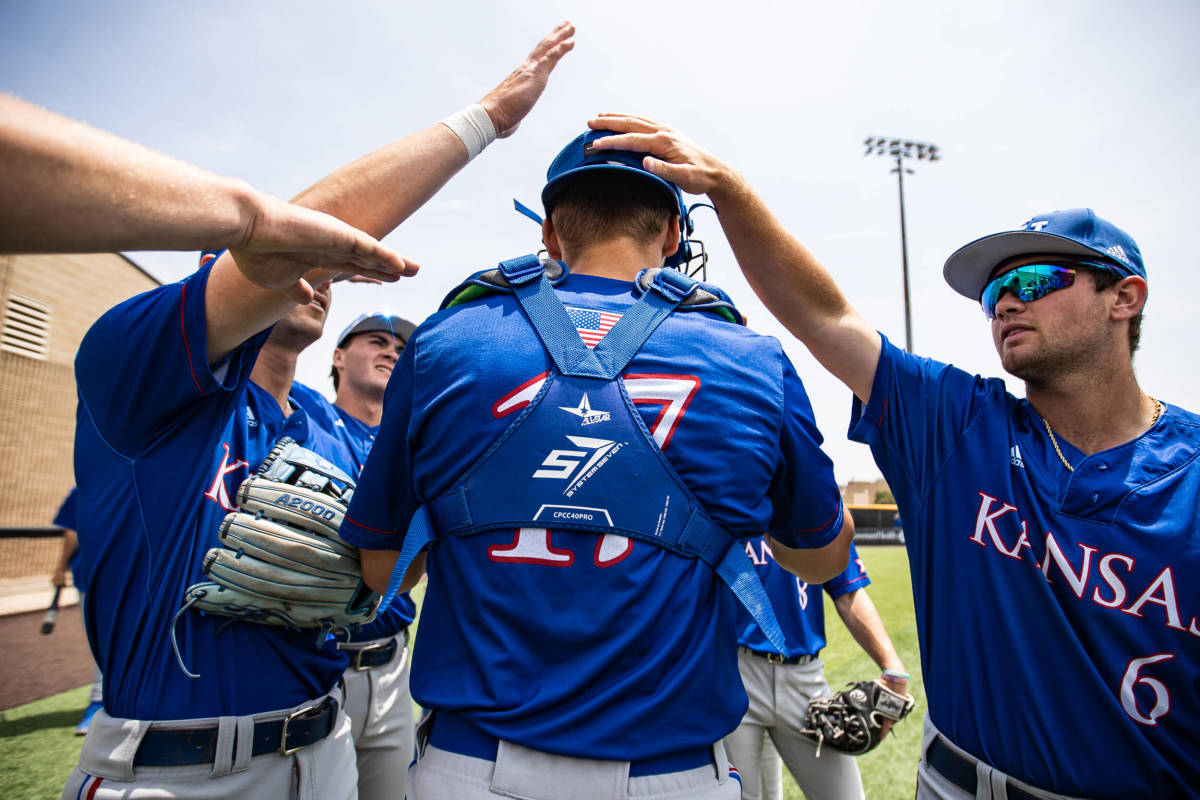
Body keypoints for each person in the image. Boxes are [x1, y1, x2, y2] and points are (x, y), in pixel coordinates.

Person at [588, 115, 1199, 799]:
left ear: (1125, 297)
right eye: (996, 293)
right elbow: (826, 318)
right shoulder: (957, 425)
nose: (1005, 305)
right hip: (953, 783)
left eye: (1036, 282)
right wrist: (729, 192)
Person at [61, 23, 574, 800]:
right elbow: (272, 243)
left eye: (324, 279)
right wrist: (490, 119)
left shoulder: (326, 427)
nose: (310, 279)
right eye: (277, 268)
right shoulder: (134, 374)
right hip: (173, 768)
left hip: (325, 736)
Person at [338, 126, 854, 800]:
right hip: (672, 775)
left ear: (550, 233)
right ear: (674, 234)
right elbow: (819, 561)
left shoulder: (446, 341)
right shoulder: (752, 359)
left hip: (469, 766)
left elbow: (384, 572)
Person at [0, 92, 408, 298]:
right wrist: (252, 226)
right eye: (309, 265)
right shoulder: (150, 344)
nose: (319, 281)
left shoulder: (318, 419)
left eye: (327, 277)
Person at [293, 311, 420, 800]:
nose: (391, 351)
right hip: (317, 661)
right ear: (338, 357)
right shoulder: (304, 416)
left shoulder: (418, 444)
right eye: (375, 341)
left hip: (394, 667)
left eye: (402, 348)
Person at [724, 537, 908, 800]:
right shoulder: (726, 500)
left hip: (804, 678)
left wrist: (892, 668)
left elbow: (848, 590)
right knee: (744, 795)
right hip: (738, 673)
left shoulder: (815, 501)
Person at [48, 488, 106, 735]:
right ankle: (98, 701)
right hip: (91, 576)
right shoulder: (84, 490)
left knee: (103, 643)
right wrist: (60, 569)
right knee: (101, 644)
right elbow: (71, 531)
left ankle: (104, 701)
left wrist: (59, 569)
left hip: (117, 575)